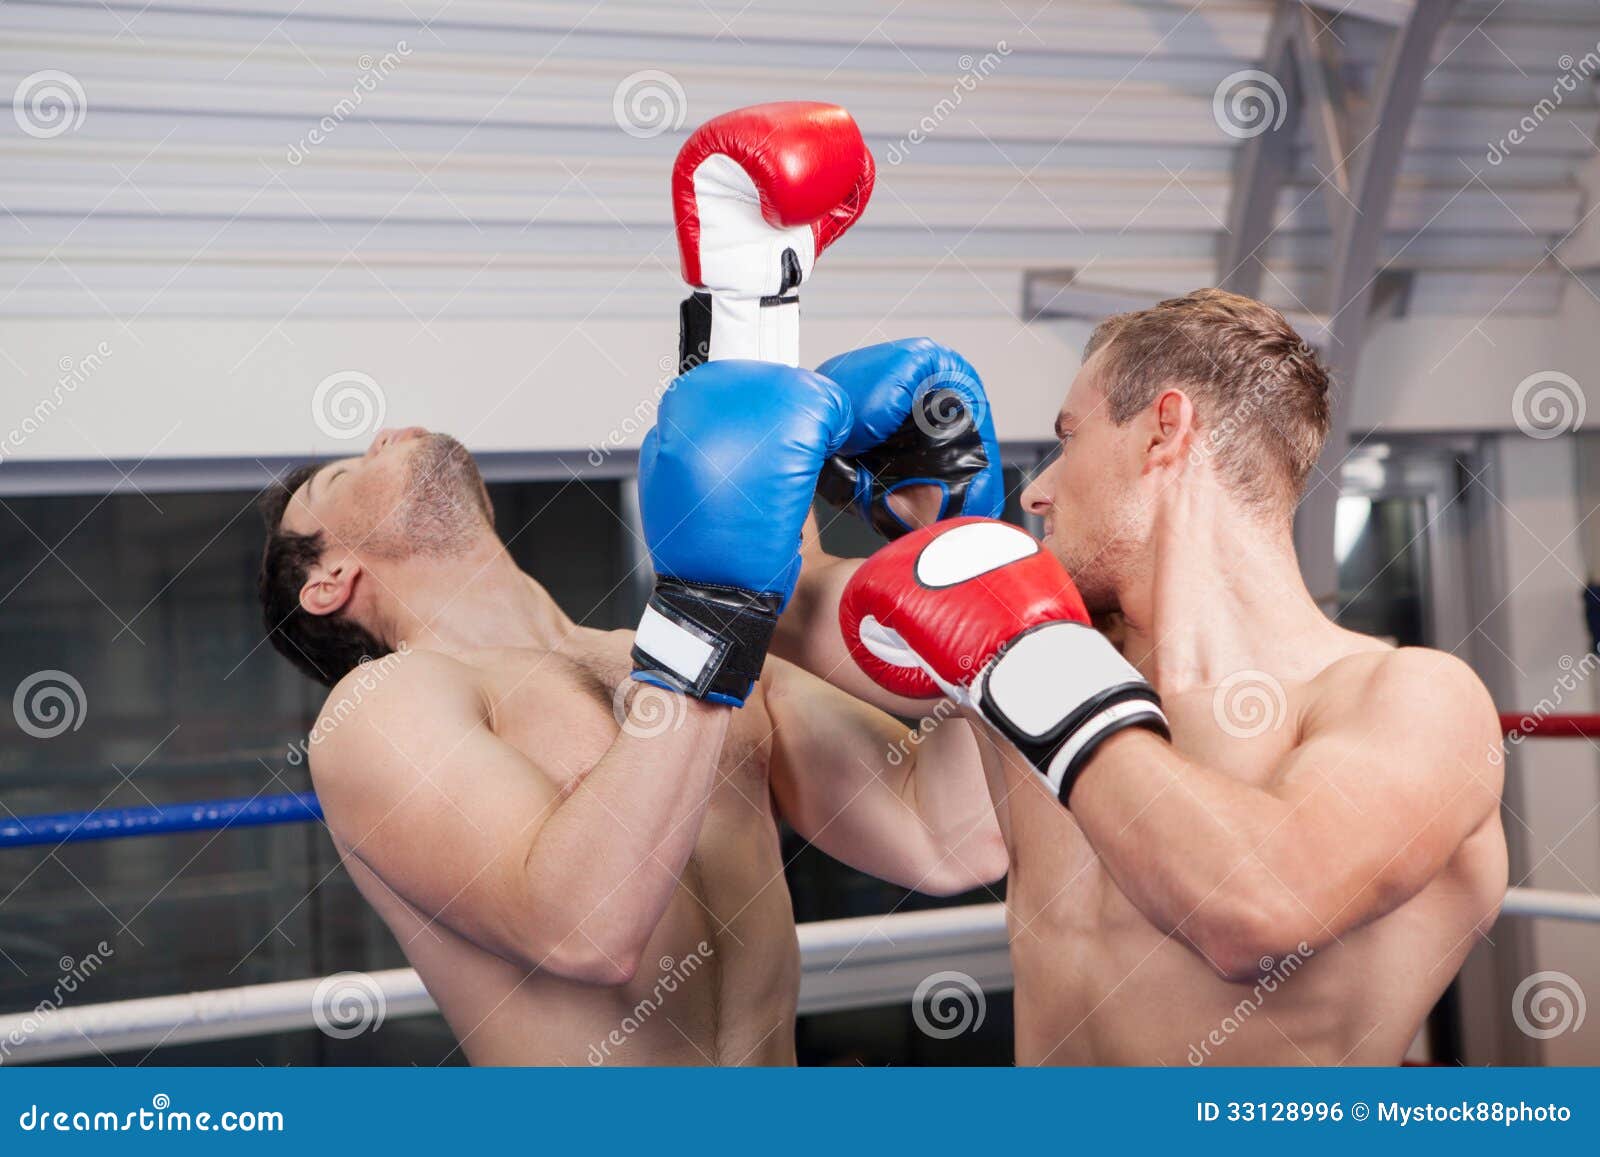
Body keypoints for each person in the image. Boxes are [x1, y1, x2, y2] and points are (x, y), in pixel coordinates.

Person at [789, 289, 1510, 1065]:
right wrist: (758, 319)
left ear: (1166, 431)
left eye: (1070, 438)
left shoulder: (1409, 699)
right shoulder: (1048, 648)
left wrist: (1030, 663)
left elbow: (1254, 910)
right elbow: (781, 598)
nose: (1034, 492)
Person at [255, 355, 1008, 1065]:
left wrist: (949, 541)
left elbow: (949, 836)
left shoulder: (671, 652)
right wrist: (716, 614)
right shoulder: (381, 707)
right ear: (328, 579)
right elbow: (585, 931)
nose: (390, 434)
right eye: (347, 471)